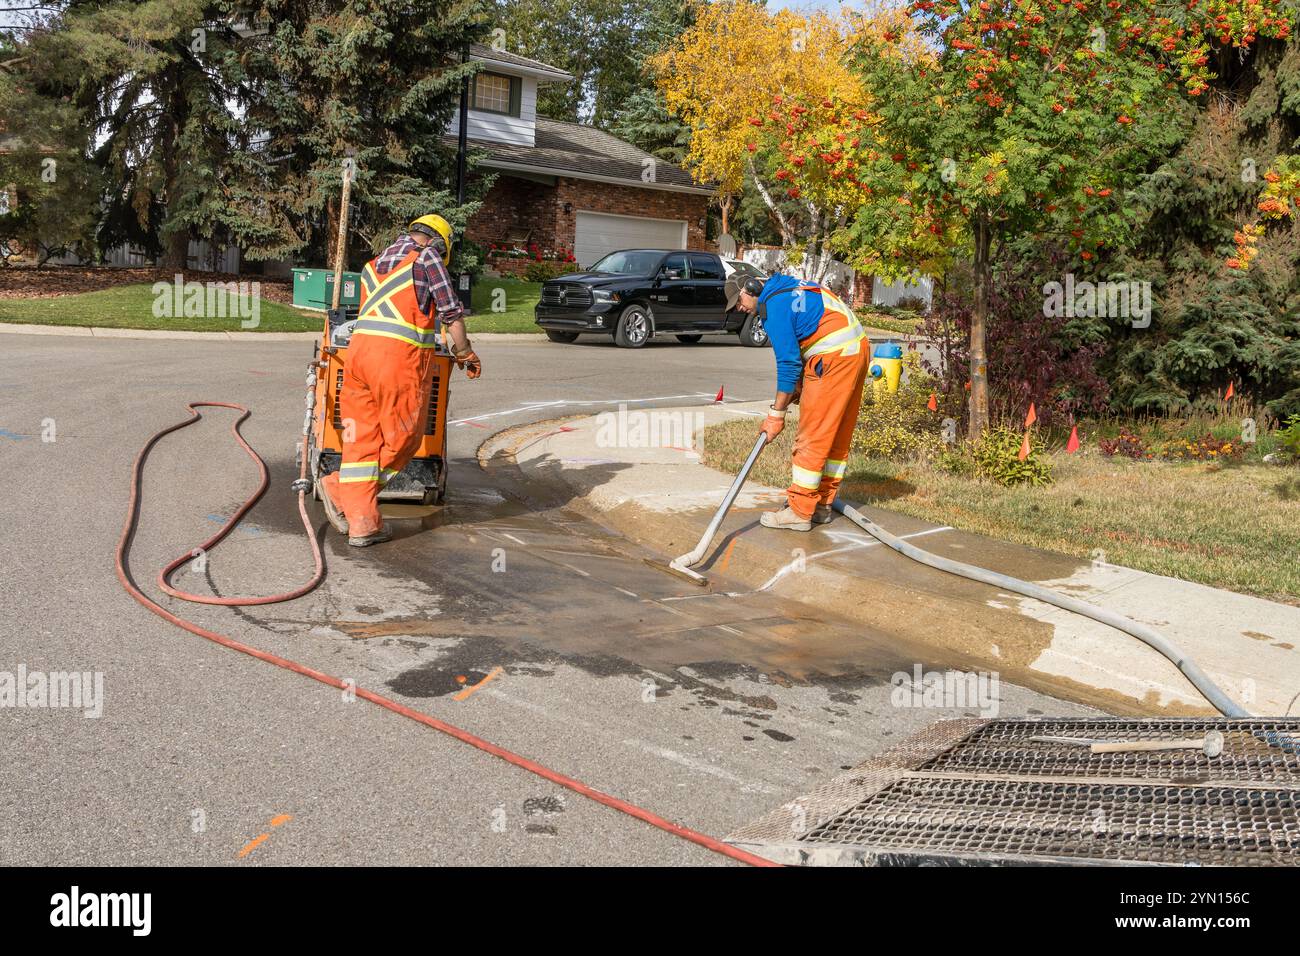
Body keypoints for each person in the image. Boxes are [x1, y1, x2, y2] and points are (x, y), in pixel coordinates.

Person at [320, 214, 481, 546]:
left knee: (362, 439)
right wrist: (464, 352)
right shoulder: (428, 257)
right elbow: (451, 312)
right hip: (397, 363)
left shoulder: (373, 265)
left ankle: (363, 522)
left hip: (358, 359)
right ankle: (341, 487)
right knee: (405, 438)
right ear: (438, 242)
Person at [734, 272, 868, 531]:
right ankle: (822, 504)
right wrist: (798, 386)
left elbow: (788, 363)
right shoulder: (787, 288)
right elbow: (804, 337)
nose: (740, 309)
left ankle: (799, 511)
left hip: (833, 355)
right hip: (855, 349)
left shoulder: (773, 306)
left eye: (738, 302)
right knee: (835, 432)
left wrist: (777, 414)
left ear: (751, 289)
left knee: (813, 434)